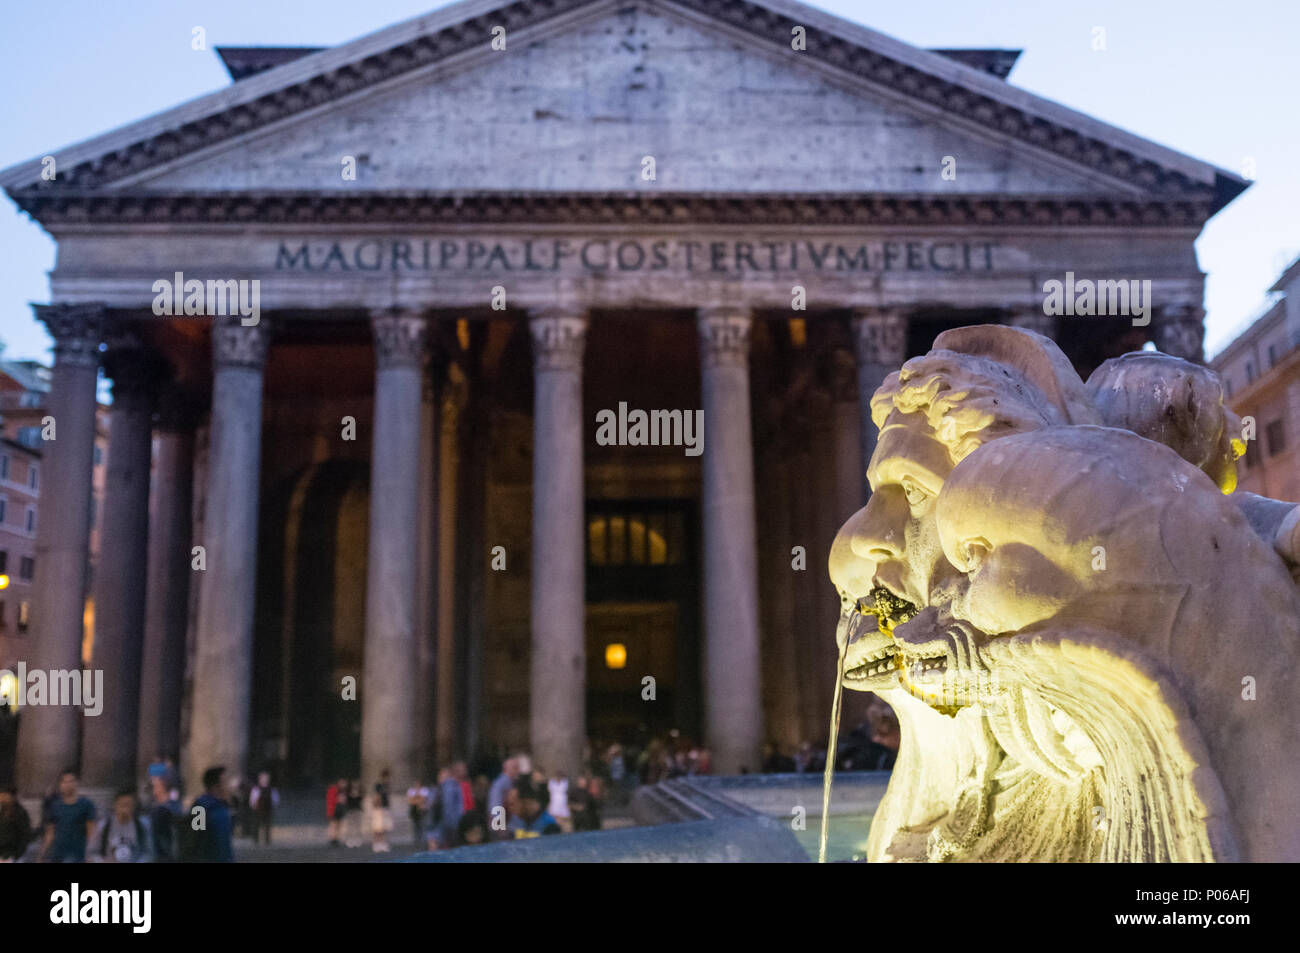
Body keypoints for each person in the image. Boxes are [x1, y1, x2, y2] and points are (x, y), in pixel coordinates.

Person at [41, 769, 96, 863]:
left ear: (77, 783)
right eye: (64, 782)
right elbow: (50, 832)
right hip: (57, 854)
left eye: (71, 781)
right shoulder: (54, 806)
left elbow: (92, 830)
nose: (68, 785)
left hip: (77, 854)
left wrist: (89, 853)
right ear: (60, 785)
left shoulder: (86, 804)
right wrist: (42, 854)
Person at [91, 790, 153, 863]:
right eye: (122, 805)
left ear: (133, 807)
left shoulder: (142, 825)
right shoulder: (103, 826)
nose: (125, 809)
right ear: (115, 805)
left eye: (129, 805)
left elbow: (149, 853)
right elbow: (92, 852)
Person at [188, 765, 235, 863]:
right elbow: (194, 840)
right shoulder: (200, 807)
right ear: (215, 786)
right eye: (225, 783)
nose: (229, 786)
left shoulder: (223, 807)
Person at [147, 775, 183, 862]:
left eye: (155, 786)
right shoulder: (155, 807)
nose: (153, 789)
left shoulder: (167, 808)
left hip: (165, 855)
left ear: (162, 788)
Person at [486, 757, 520, 841]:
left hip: (510, 828)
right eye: (515, 768)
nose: (518, 771)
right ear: (507, 769)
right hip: (502, 832)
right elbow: (495, 808)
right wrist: (501, 831)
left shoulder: (512, 783)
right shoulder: (500, 784)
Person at [0, 785, 33, 861]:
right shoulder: (2, 810)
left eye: (4, 795)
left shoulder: (20, 813)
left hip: (10, 855)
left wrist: (16, 855)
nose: (1, 798)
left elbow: (25, 835)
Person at [248, 770, 278, 845]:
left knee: (267, 825)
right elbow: (252, 799)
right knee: (256, 824)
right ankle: (255, 840)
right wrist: (253, 806)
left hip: (268, 809)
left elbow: (275, 799)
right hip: (258, 809)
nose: (264, 779)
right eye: (263, 778)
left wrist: (273, 806)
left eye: (266, 778)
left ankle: (267, 840)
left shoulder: (272, 789)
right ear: (259, 779)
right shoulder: (256, 789)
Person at [371, 768, 393, 853]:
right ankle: (376, 844)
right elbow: (376, 796)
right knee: (377, 828)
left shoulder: (387, 785)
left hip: (386, 807)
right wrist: (378, 807)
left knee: (384, 827)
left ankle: (383, 844)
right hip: (379, 809)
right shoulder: (378, 785)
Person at [406, 781, 430, 847]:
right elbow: (410, 801)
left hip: (422, 811)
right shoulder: (411, 791)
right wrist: (418, 798)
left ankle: (424, 841)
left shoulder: (424, 790)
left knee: (423, 825)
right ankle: (417, 842)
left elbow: (424, 799)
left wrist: (415, 798)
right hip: (414, 811)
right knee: (415, 826)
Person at [344, 779, 364, 848]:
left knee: (357, 826)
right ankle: (350, 840)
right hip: (350, 811)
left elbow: (361, 800)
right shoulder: (348, 793)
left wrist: (358, 794)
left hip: (357, 810)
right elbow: (347, 801)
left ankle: (357, 840)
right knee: (350, 826)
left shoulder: (360, 792)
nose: (355, 785)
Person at [326, 778, 346, 847]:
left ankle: (336, 838)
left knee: (339, 825)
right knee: (333, 824)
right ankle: (333, 838)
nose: (344, 785)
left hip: (339, 810)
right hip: (333, 810)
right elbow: (331, 800)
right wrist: (338, 800)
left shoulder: (342, 791)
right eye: (342, 783)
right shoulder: (333, 789)